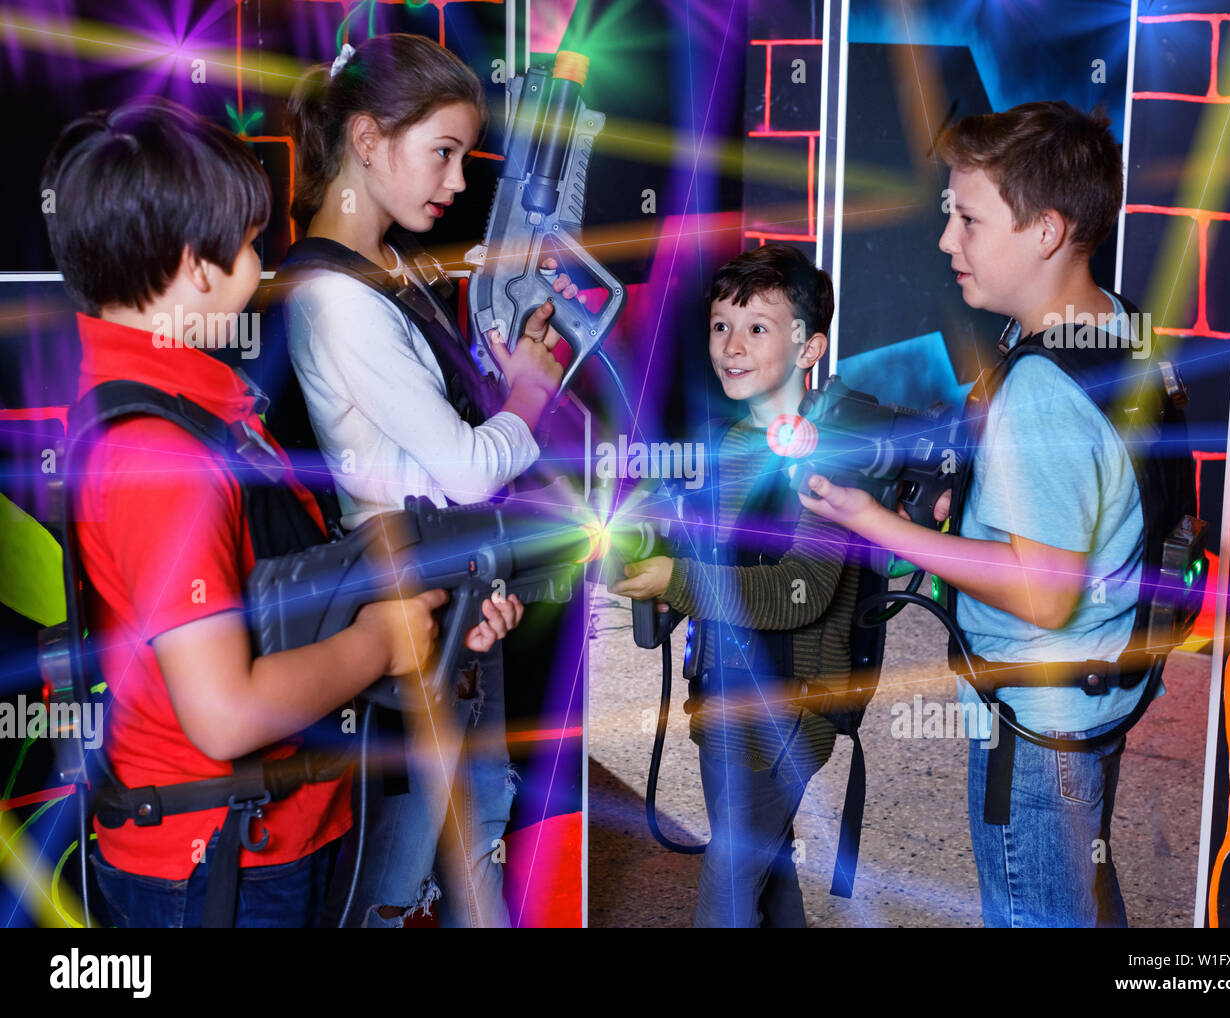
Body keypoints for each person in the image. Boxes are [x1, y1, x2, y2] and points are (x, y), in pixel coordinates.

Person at [41, 96, 521, 927]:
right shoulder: (162, 456)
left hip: (261, 831)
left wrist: (428, 624)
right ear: (197, 267)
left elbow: (270, 598)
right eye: (249, 242)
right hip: (220, 860)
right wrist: (382, 642)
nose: (262, 261)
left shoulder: (176, 412)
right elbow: (223, 714)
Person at [801, 101, 1144, 927]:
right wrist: (980, 511)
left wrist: (882, 526)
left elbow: (1046, 591)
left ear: (1046, 232)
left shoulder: (1039, 389)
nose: (948, 240)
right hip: (1095, 701)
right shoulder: (1118, 329)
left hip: (1035, 729)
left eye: (967, 218)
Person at [278, 33, 580, 927]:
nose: (455, 182)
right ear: (367, 140)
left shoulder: (384, 271)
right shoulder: (335, 295)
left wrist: (501, 375)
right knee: (413, 851)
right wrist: (527, 396)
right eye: (441, 153)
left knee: (477, 807)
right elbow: (463, 465)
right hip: (408, 593)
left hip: (448, 590)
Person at [610, 244, 860, 927]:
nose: (731, 345)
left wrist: (678, 579)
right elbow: (692, 555)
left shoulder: (826, 455)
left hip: (787, 714)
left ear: (809, 349)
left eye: (757, 328)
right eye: (721, 325)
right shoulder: (720, 448)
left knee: (728, 885)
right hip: (721, 704)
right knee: (765, 877)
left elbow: (799, 591)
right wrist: (638, 555)